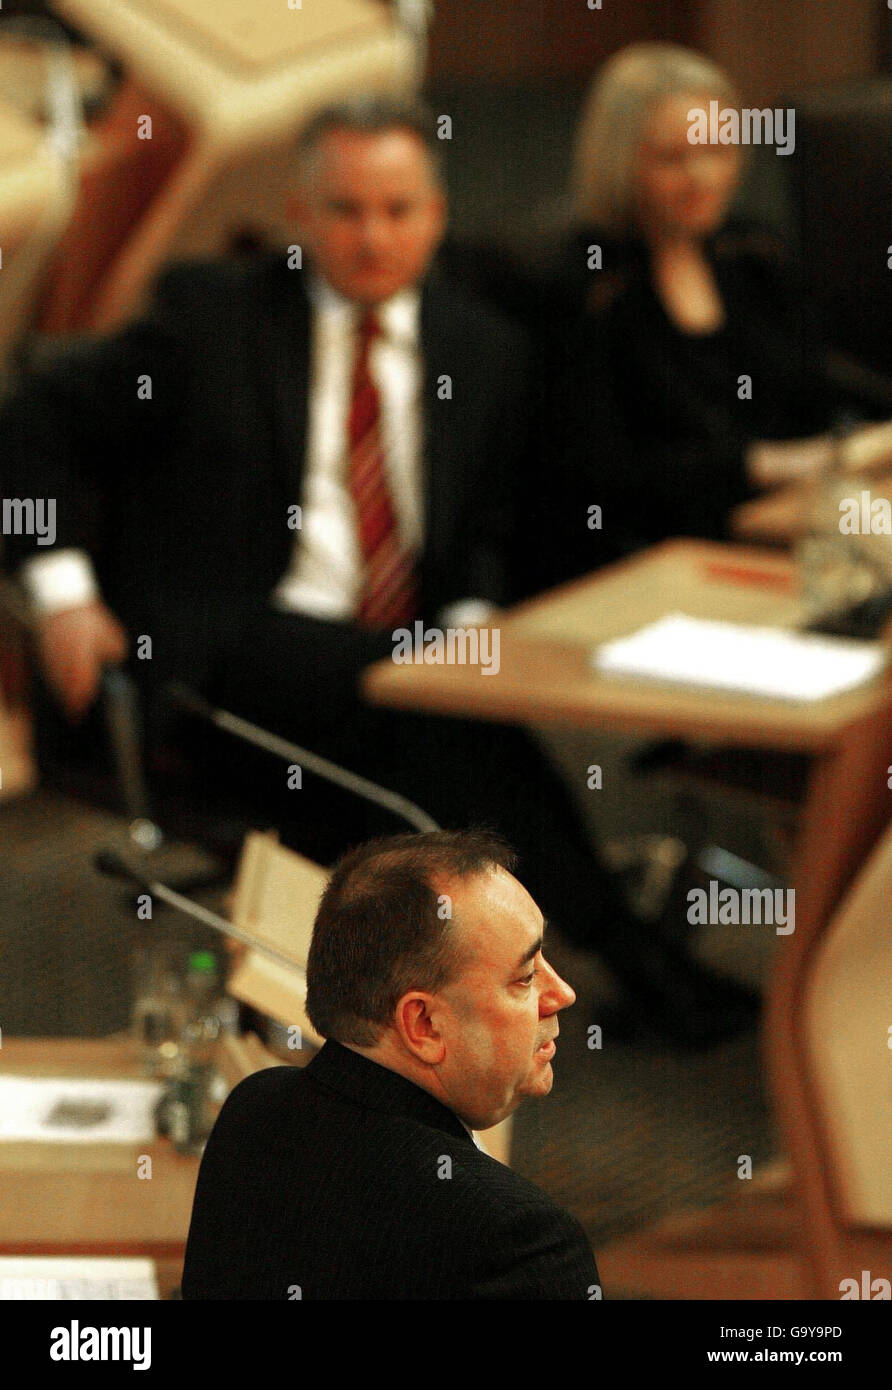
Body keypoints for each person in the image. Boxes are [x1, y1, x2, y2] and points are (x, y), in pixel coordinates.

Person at [0, 94, 756, 1047]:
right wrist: (63, 594)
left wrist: (476, 607)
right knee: (442, 731)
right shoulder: (213, 317)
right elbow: (30, 423)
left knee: (433, 719)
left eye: (397, 211)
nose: (372, 237)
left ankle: (546, 978)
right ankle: (629, 960)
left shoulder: (478, 346)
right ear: (300, 216)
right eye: (346, 211)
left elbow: (485, 519)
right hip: (229, 655)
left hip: (399, 653)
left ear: (436, 216)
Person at [182, 829, 602, 1300]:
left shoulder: (252, 1108)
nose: (563, 993)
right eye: (525, 977)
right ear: (423, 1024)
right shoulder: (520, 1243)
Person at [530, 43, 892, 585]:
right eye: (672, 158)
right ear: (620, 159)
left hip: (784, 534)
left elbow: (816, 387)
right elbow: (600, 480)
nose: (701, 176)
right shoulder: (583, 287)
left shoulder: (752, 254)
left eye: (718, 151)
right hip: (648, 562)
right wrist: (765, 464)